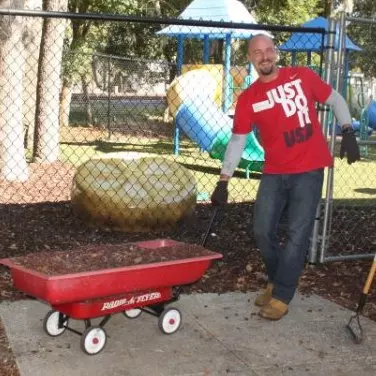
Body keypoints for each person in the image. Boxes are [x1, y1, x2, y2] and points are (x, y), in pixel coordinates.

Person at [211, 34, 360, 321]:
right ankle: (277, 278)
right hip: (275, 172)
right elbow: (237, 141)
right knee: (262, 230)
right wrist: (223, 180)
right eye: (257, 52)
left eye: (269, 50)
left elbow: (336, 99)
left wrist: (348, 130)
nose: (264, 56)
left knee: (297, 233)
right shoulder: (249, 98)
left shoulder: (302, 76)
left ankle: (282, 294)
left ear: (276, 53)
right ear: (251, 58)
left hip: (308, 169)